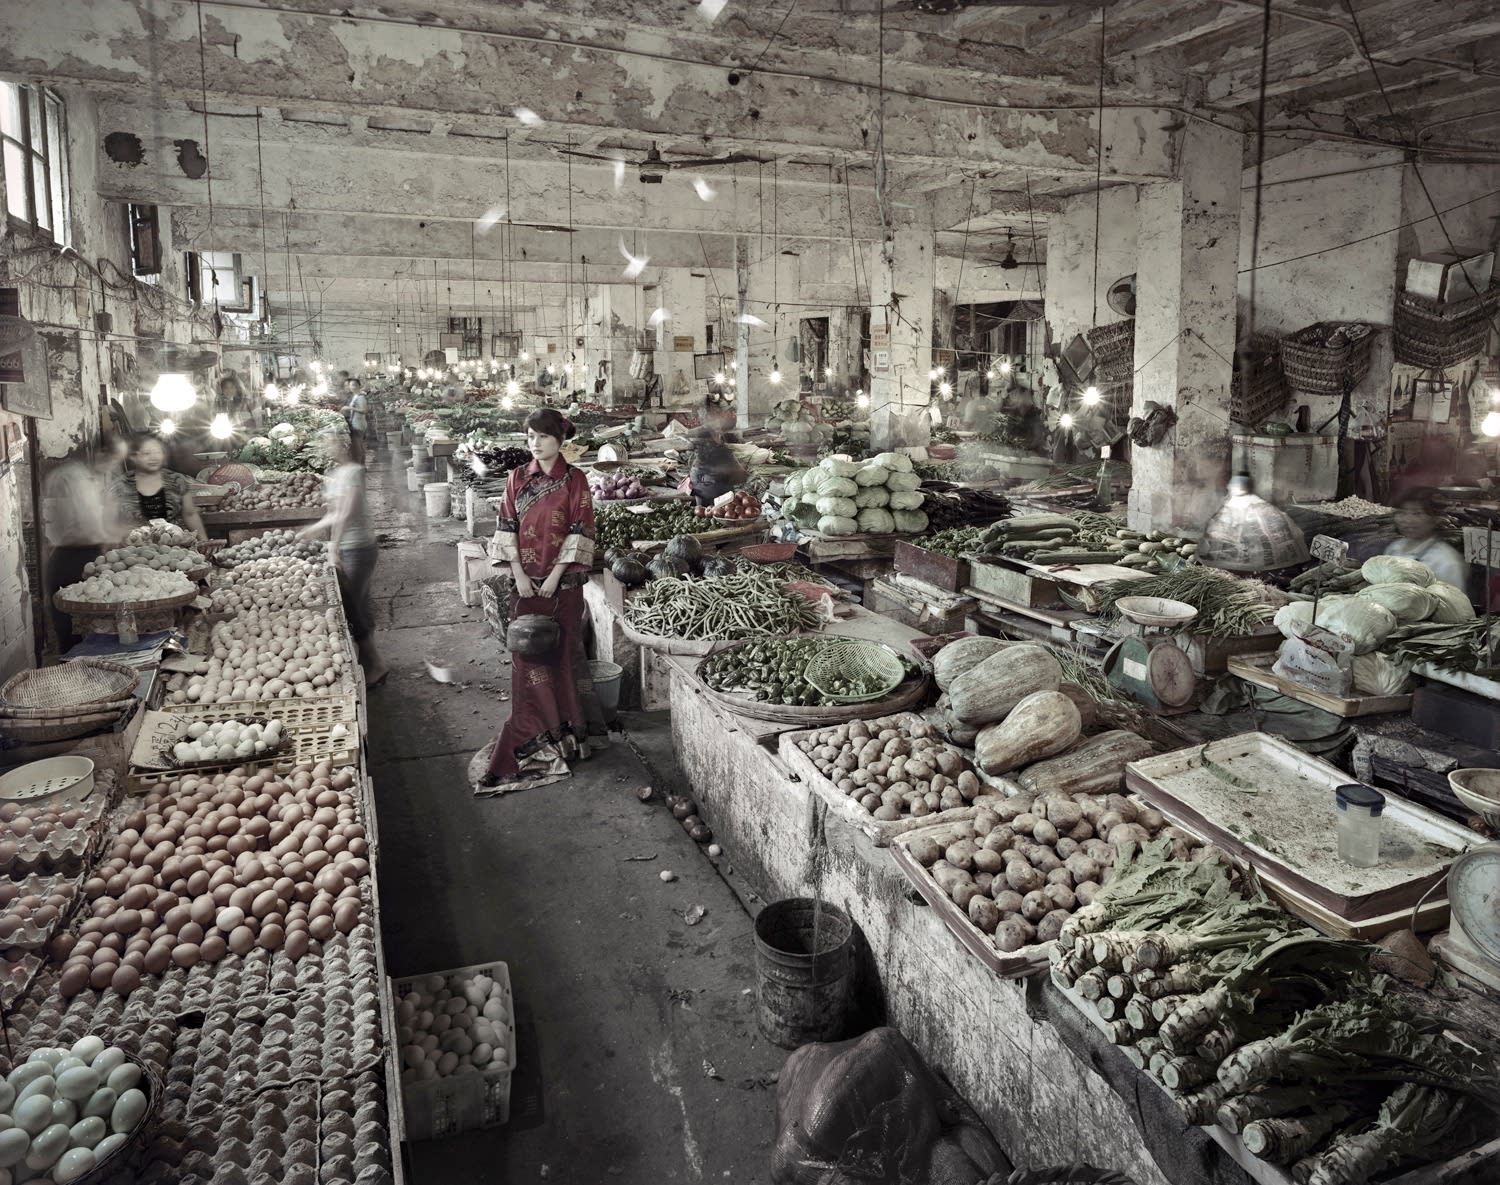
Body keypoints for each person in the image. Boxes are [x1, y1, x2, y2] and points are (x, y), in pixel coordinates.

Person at [477, 408, 607, 793]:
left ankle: (568, 738)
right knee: (527, 663)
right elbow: (506, 527)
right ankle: (536, 735)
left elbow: (581, 531)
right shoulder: (516, 478)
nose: (534, 443)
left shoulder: (575, 480)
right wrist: (519, 574)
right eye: (530, 436)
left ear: (559, 440)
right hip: (524, 589)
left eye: (542, 437)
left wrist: (552, 578)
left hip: (562, 587)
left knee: (564, 659)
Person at [301, 432, 387, 686]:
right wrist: (313, 528)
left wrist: (333, 547)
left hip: (358, 548)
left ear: (344, 446)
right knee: (357, 602)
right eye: (324, 443)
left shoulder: (352, 473)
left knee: (354, 605)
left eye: (331, 443)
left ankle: (377, 665)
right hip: (349, 547)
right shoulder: (335, 476)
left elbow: (346, 512)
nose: (328, 447)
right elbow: (334, 514)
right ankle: (366, 661)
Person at [42, 433, 129, 651]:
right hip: (70, 560)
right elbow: (77, 530)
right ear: (99, 453)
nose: (113, 467)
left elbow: (99, 525)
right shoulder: (69, 478)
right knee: (73, 635)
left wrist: (118, 533)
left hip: (90, 557)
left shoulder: (91, 479)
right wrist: (112, 536)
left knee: (92, 633)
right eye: (113, 459)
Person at [111, 432, 207, 541]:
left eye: (157, 452)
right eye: (147, 453)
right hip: (135, 549)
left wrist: (204, 540)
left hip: (176, 546)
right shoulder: (121, 485)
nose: (154, 457)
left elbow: (190, 514)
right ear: (134, 457)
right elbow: (110, 521)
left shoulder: (177, 481)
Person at [1385, 487, 1467, 589]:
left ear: (1435, 519)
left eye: (1417, 513)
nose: (1407, 520)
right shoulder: (1394, 548)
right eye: (1402, 512)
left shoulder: (1445, 561)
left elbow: (1455, 602)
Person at [687, 427, 748, 508]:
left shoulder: (694, 455)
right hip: (721, 502)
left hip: (700, 501)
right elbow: (742, 477)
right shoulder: (724, 453)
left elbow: (692, 477)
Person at [341, 379, 369, 463]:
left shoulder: (361, 397)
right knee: (359, 446)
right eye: (350, 385)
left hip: (359, 425)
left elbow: (364, 410)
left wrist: (349, 408)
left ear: (358, 386)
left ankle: (361, 466)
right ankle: (362, 466)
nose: (351, 387)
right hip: (356, 423)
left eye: (353, 385)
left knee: (358, 447)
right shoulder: (355, 396)